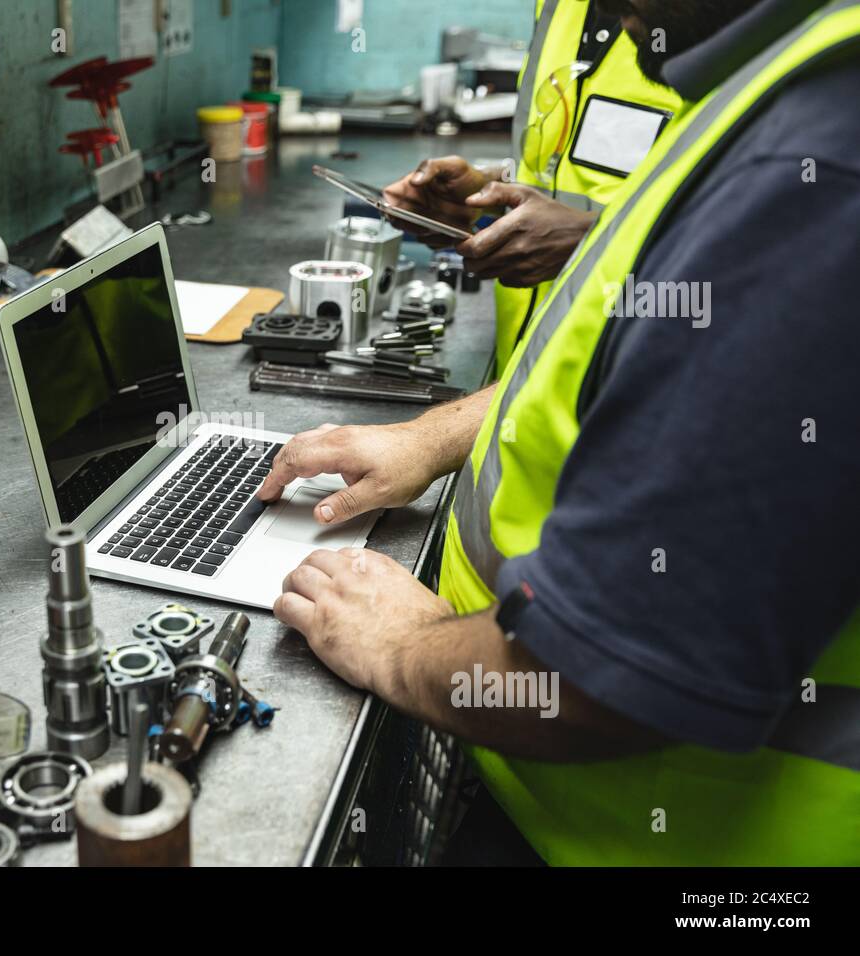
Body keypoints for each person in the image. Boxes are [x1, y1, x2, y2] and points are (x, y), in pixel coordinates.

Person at [262, 0, 860, 865]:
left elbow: (605, 677)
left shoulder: (817, 159)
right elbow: (650, 362)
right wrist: (435, 437)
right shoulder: (768, 85)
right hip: (550, 796)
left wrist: (402, 648)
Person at [385, 0, 680, 375]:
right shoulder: (556, 6)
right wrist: (489, 192)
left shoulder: (706, 17)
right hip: (521, 370)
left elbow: (744, 228)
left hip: (625, 369)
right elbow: (551, 166)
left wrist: (590, 241)